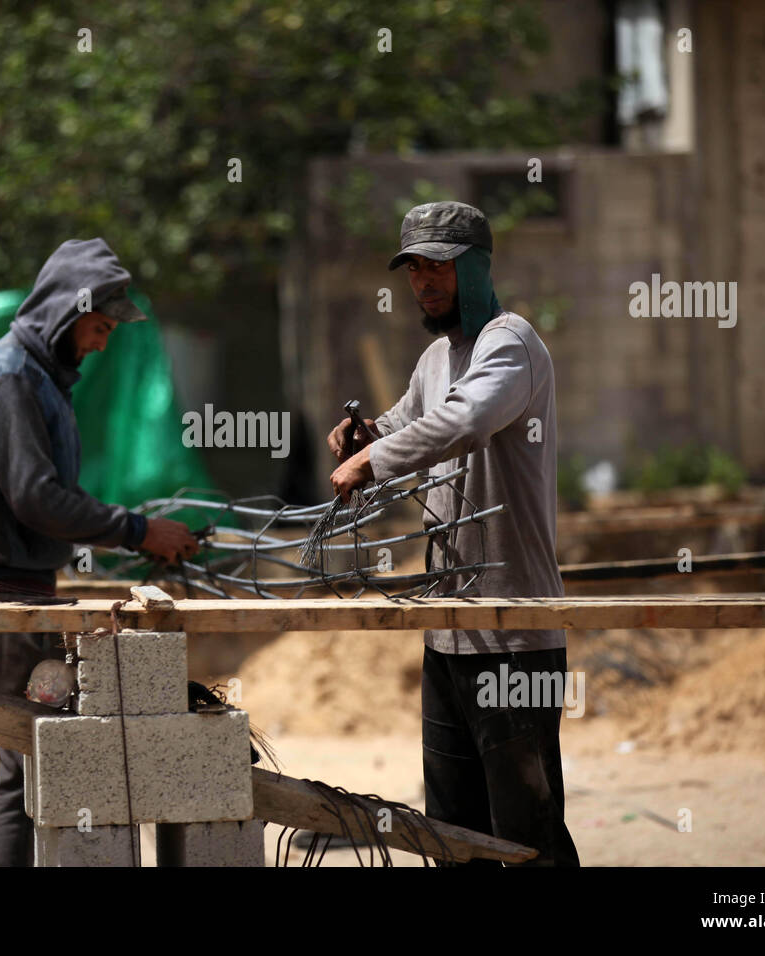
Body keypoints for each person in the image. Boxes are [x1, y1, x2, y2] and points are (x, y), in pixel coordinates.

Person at [326, 201, 580, 866]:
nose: (423, 282)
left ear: (476, 267)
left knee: (529, 838)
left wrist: (373, 460)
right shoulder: (437, 357)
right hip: (449, 632)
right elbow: (408, 420)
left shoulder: (510, 343)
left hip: (515, 638)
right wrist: (365, 435)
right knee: (454, 836)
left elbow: (466, 421)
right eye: (413, 269)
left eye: (437, 266)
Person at [0, 237, 199, 866]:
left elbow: (44, 503)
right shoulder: (9, 379)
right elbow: (37, 498)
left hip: (21, 586)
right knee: (30, 755)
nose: (104, 343)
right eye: (101, 326)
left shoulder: (39, 380)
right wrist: (136, 531)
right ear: (68, 311)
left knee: (33, 756)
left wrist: (115, 538)